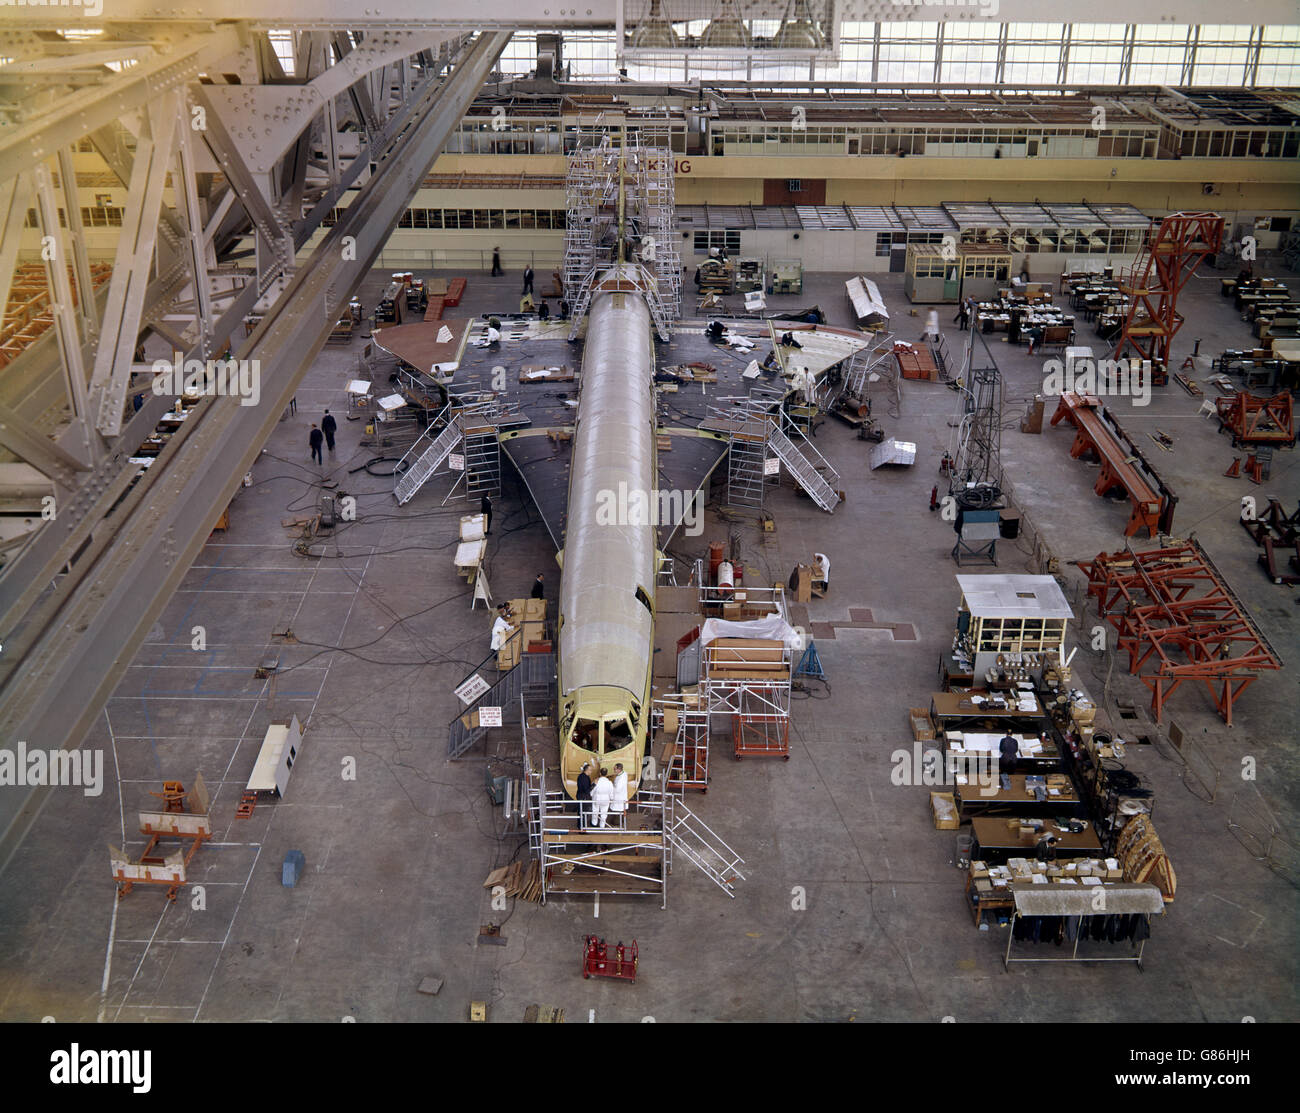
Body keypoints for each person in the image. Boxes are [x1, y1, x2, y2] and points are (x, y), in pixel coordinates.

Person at [610, 763, 628, 829]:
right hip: (621, 796)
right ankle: (620, 821)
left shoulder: (621, 778)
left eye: (615, 769)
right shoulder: (624, 773)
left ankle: (617, 824)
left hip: (619, 797)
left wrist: (611, 785)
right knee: (621, 810)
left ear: (619, 769)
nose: (614, 770)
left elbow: (617, 789)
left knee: (617, 811)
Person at [576, 763, 593, 827]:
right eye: (590, 770)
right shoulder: (584, 778)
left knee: (581, 812)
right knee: (583, 813)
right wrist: (594, 785)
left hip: (581, 796)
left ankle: (581, 826)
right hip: (583, 797)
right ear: (587, 770)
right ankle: (582, 828)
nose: (591, 771)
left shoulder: (582, 776)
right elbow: (587, 790)